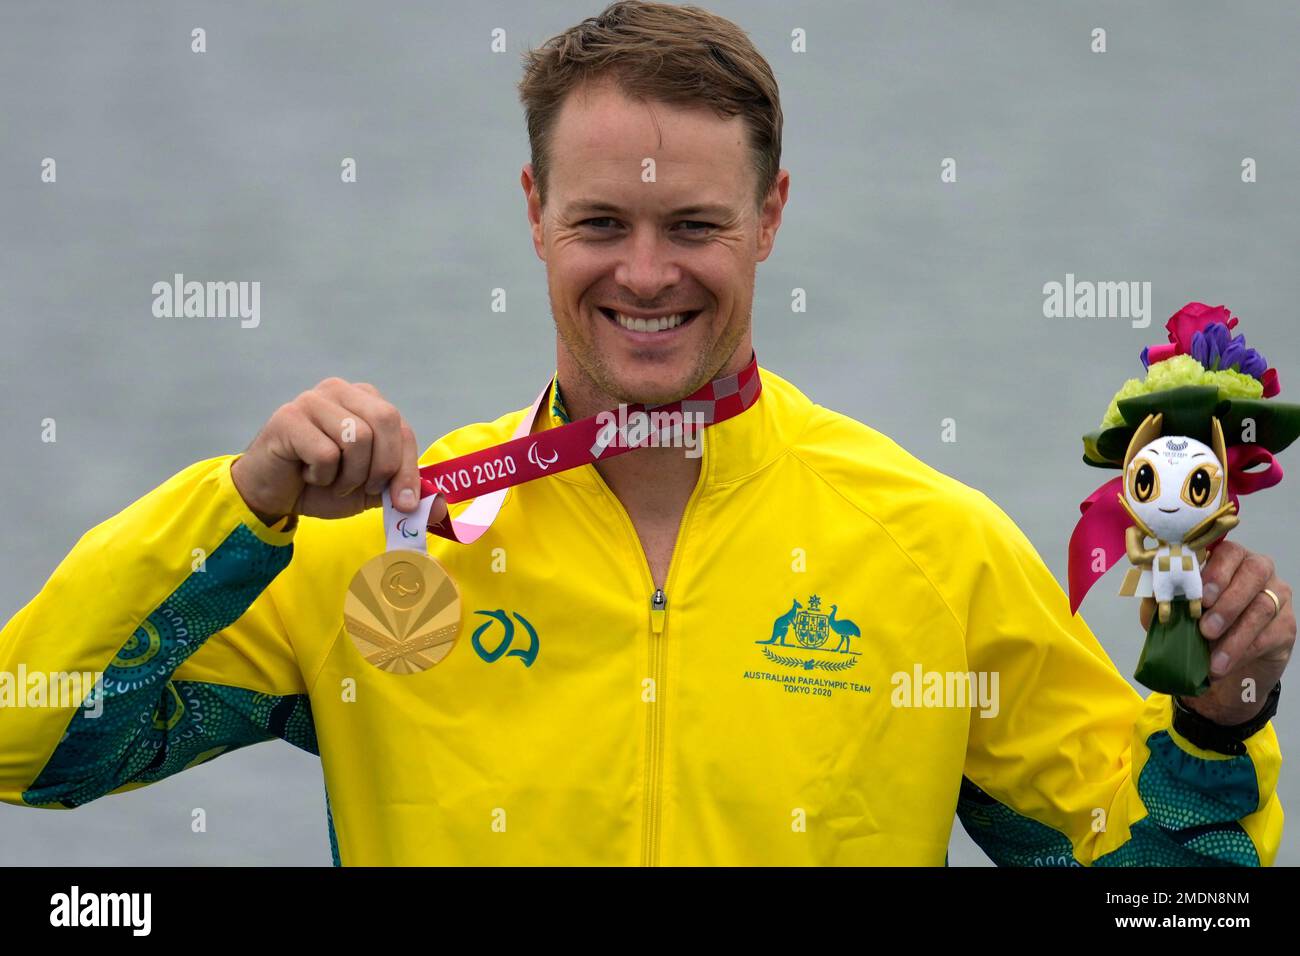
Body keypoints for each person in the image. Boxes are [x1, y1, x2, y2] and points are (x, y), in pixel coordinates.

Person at [0, 0, 1291, 866]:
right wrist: (242, 503)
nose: (648, 275)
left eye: (696, 228)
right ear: (533, 208)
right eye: (603, 223)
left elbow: (1170, 889)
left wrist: (1223, 724)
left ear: (773, 214)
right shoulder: (372, 548)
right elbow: (33, 744)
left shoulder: (934, 552)